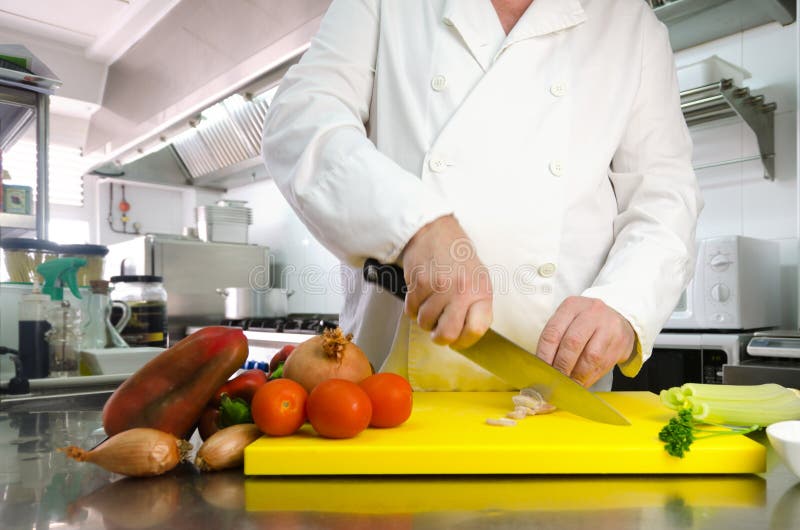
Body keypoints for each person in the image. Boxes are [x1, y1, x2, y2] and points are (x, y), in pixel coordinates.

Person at [261, 0, 703, 392]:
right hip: (383, 396)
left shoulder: (631, 24)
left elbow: (664, 196)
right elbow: (301, 120)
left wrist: (624, 301)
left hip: (560, 395)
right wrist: (415, 226)